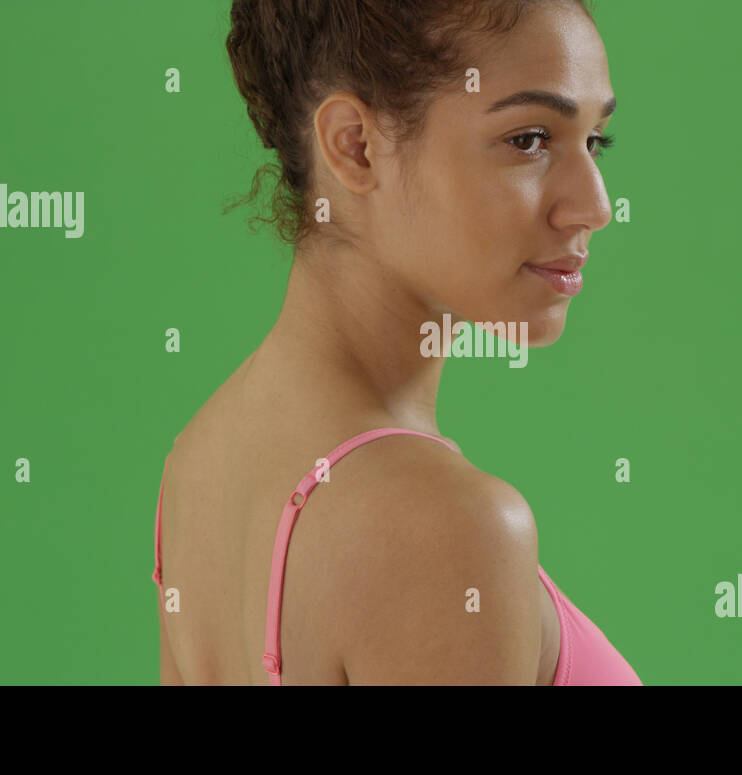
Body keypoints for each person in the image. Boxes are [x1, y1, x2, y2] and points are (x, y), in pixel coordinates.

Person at [153, 0, 640, 685]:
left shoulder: (198, 458)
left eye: (594, 141)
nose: (594, 205)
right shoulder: (448, 529)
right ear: (355, 145)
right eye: (528, 139)